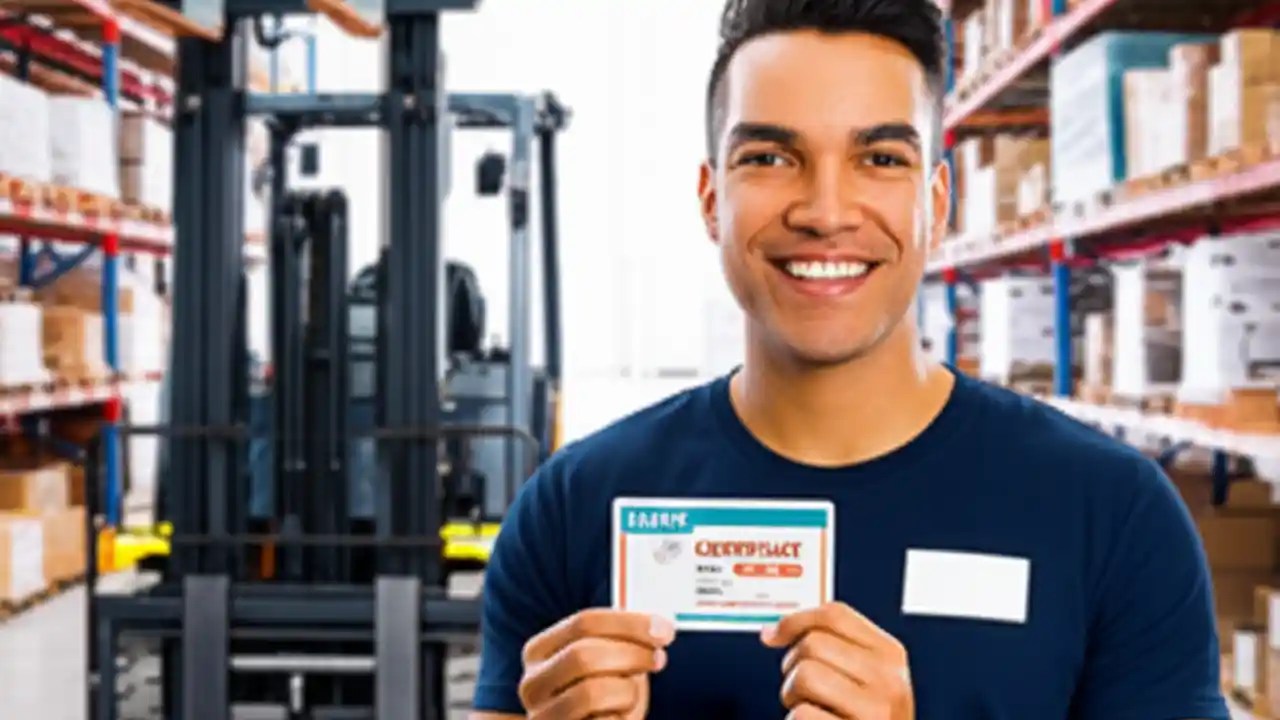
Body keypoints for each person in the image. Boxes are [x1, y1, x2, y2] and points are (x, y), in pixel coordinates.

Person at [470, 0, 1230, 717]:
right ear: (711, 200)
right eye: (770, 156)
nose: (825, 212)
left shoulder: (1114, 516)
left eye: (880, 158)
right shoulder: (572, 511)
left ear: (938, 205)